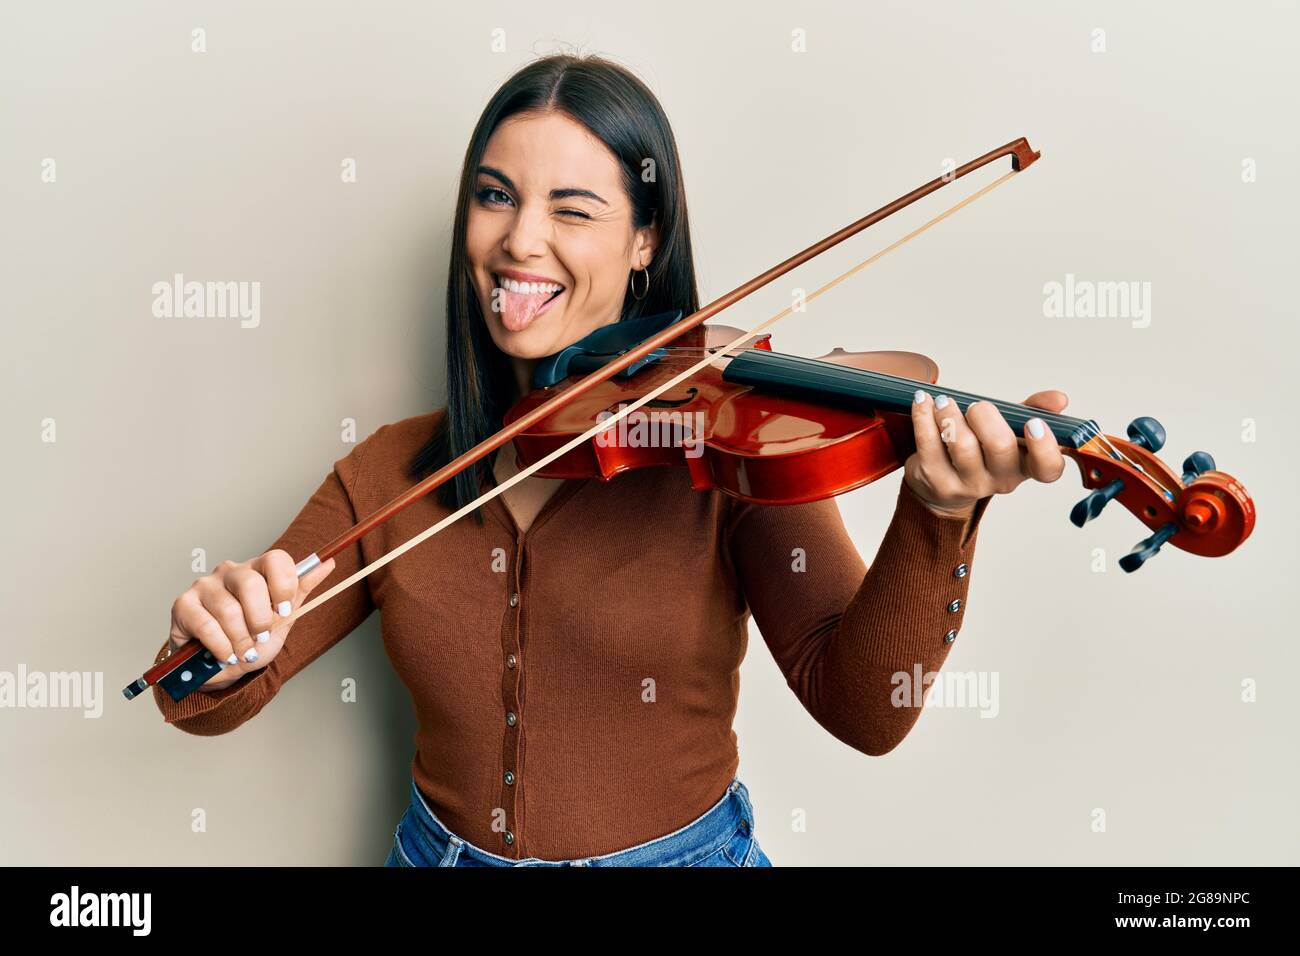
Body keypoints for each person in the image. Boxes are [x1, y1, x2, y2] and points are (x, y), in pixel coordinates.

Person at [151, 53, 1067, 867]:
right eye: (495, 194)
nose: (519, 240)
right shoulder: (392, 469)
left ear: (645, 243)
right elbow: (208, 697)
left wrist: (937, 518)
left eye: (573, 211)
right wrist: (221, 641)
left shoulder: (729, 443)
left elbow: (865, 711)